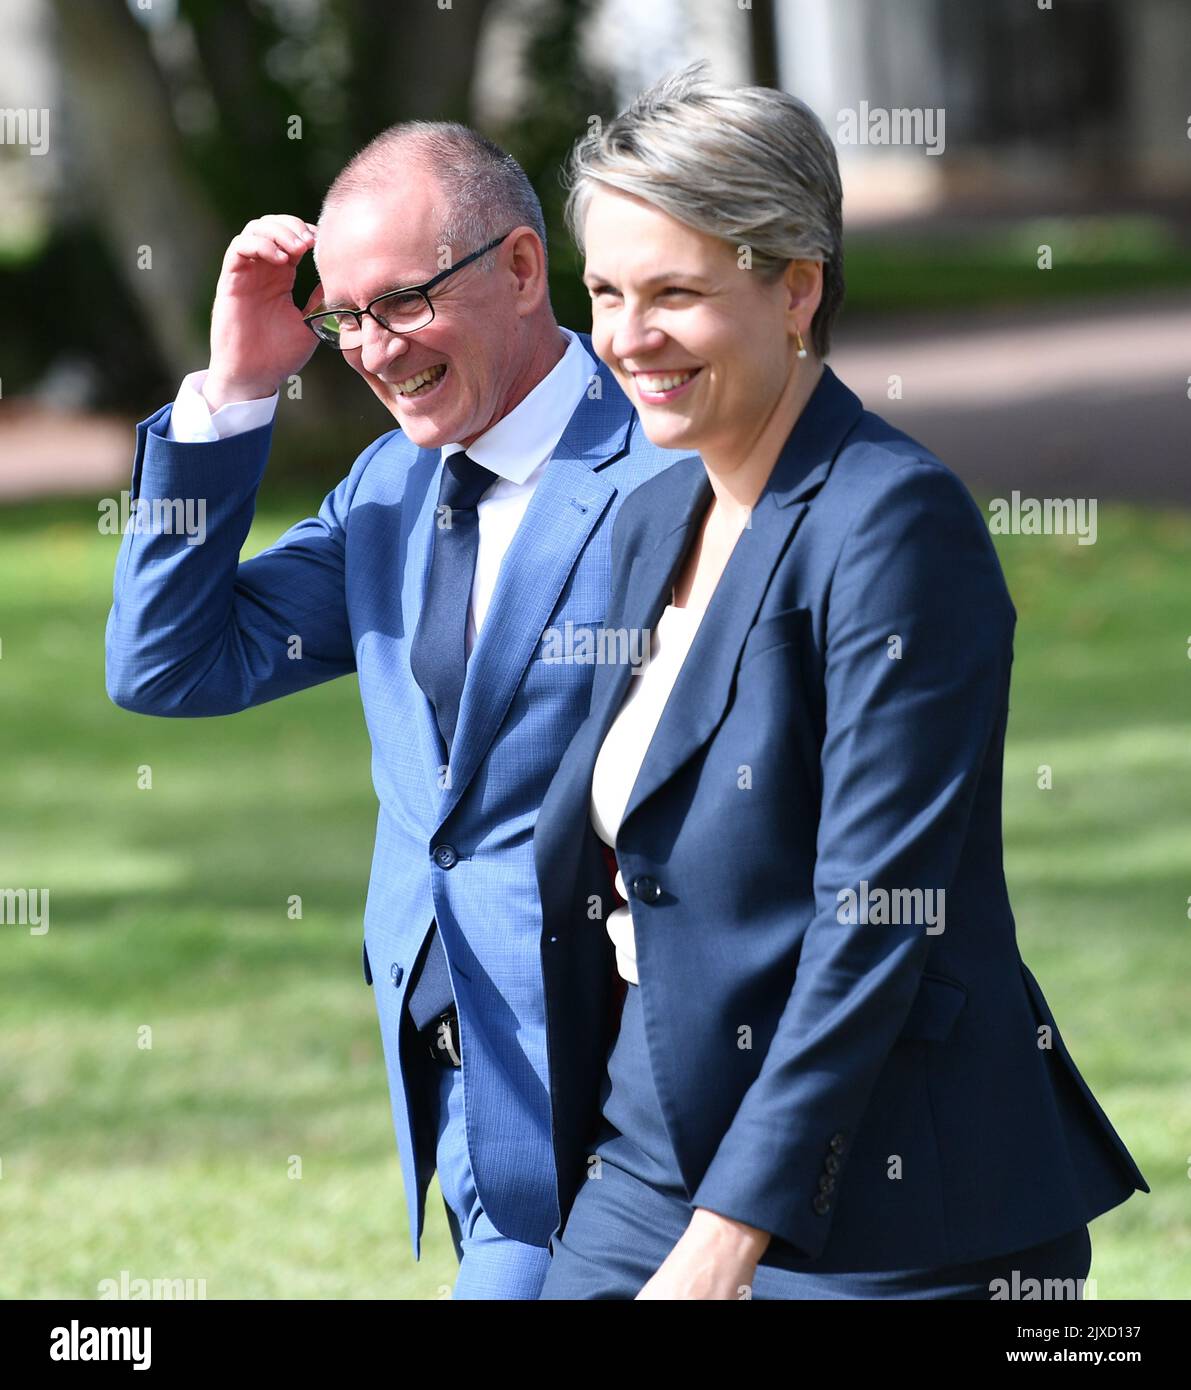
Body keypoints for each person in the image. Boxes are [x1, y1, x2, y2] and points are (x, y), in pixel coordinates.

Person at [533, 65, 1149, 1300]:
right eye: (604, 291)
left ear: (797, 288)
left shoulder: (896, 524)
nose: (627, 337)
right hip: (648, 1147)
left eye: (675, 293)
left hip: (890, 1193)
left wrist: (729, 1232)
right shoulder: (651, 517)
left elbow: (876, 912)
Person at [104, 121, 690, 1299]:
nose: (373, 349)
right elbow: (167, 661)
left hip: (633, 1100)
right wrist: (236, 392)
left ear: (520, 267)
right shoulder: (389, 488)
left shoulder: (670, 463)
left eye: (404, 302)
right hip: (470, 1104)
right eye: (344, 319)